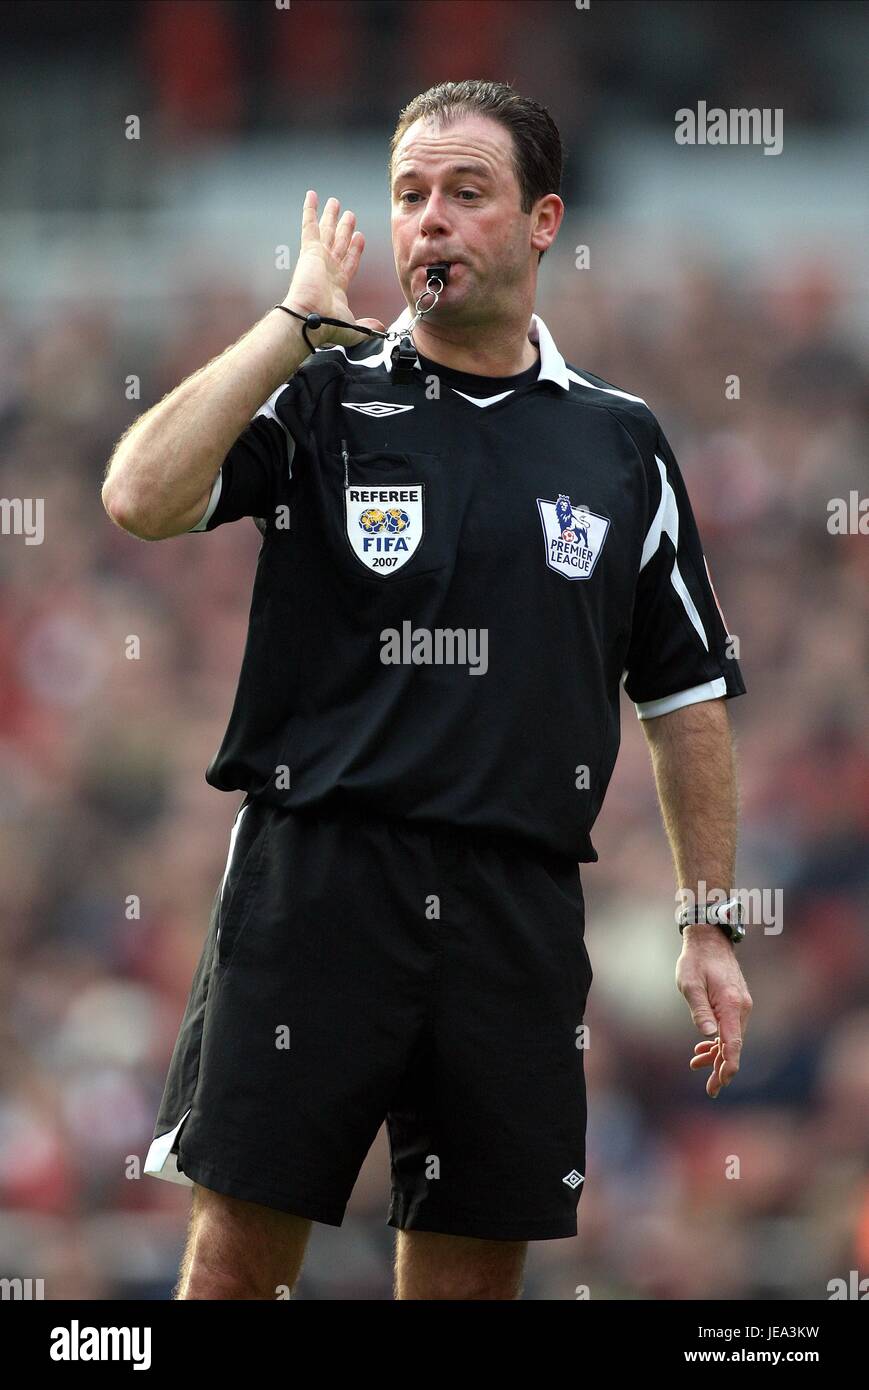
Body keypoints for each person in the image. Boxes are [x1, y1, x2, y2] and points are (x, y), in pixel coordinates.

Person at [102, 79, 750, 1301]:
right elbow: (138, 495)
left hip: (512, 904)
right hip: (317, 884)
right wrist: (291, 321)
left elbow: (684, 698)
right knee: (236, 1262)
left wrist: (706, 916)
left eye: (464, 193)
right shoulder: (323, 393)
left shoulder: (618, 442)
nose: (429, 222)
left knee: (464, 1281)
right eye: (408, 196)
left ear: (542, 220)